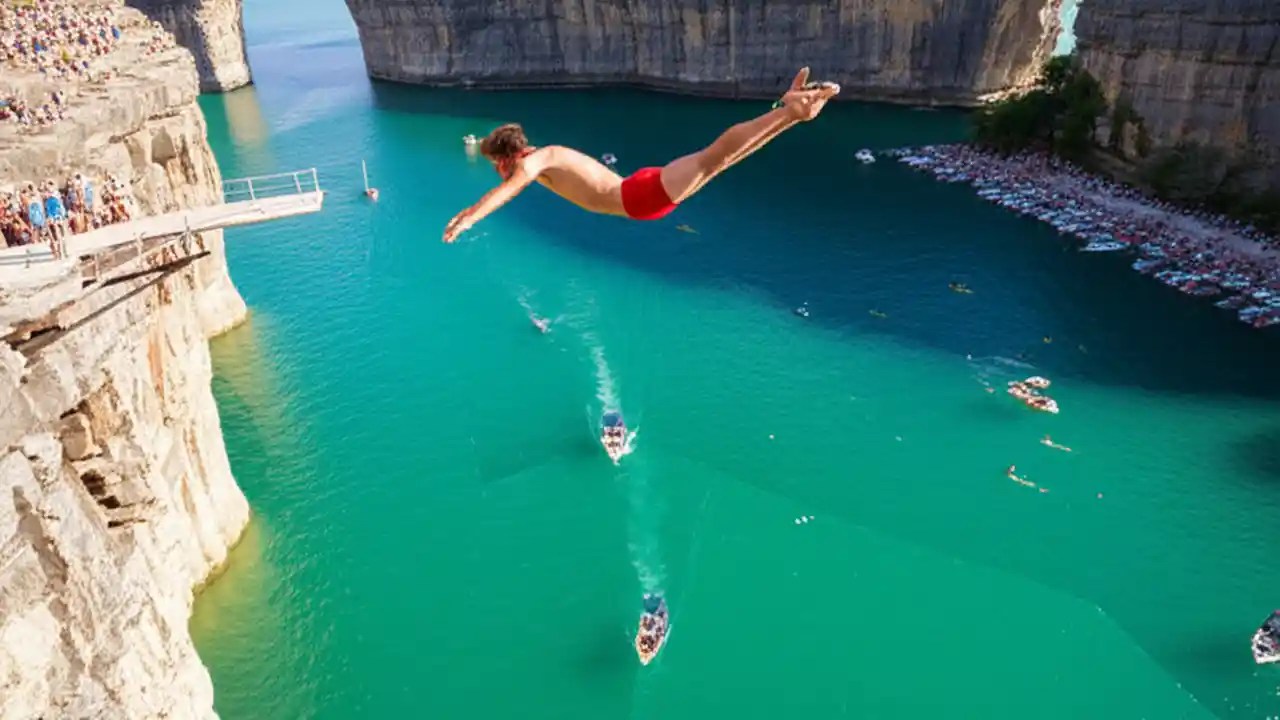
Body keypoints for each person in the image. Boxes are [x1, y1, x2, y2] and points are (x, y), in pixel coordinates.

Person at [442, 68, 840, 242]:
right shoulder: (542, 158)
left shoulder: (536, 160)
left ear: (505, 158)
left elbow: (509, 190)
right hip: (639, 196)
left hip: (638, 195)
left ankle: (787, 108)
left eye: (497, 164)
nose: (499, 172)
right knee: (721, 162)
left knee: (712, 157)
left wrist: (469, 218)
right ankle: (794, 116)